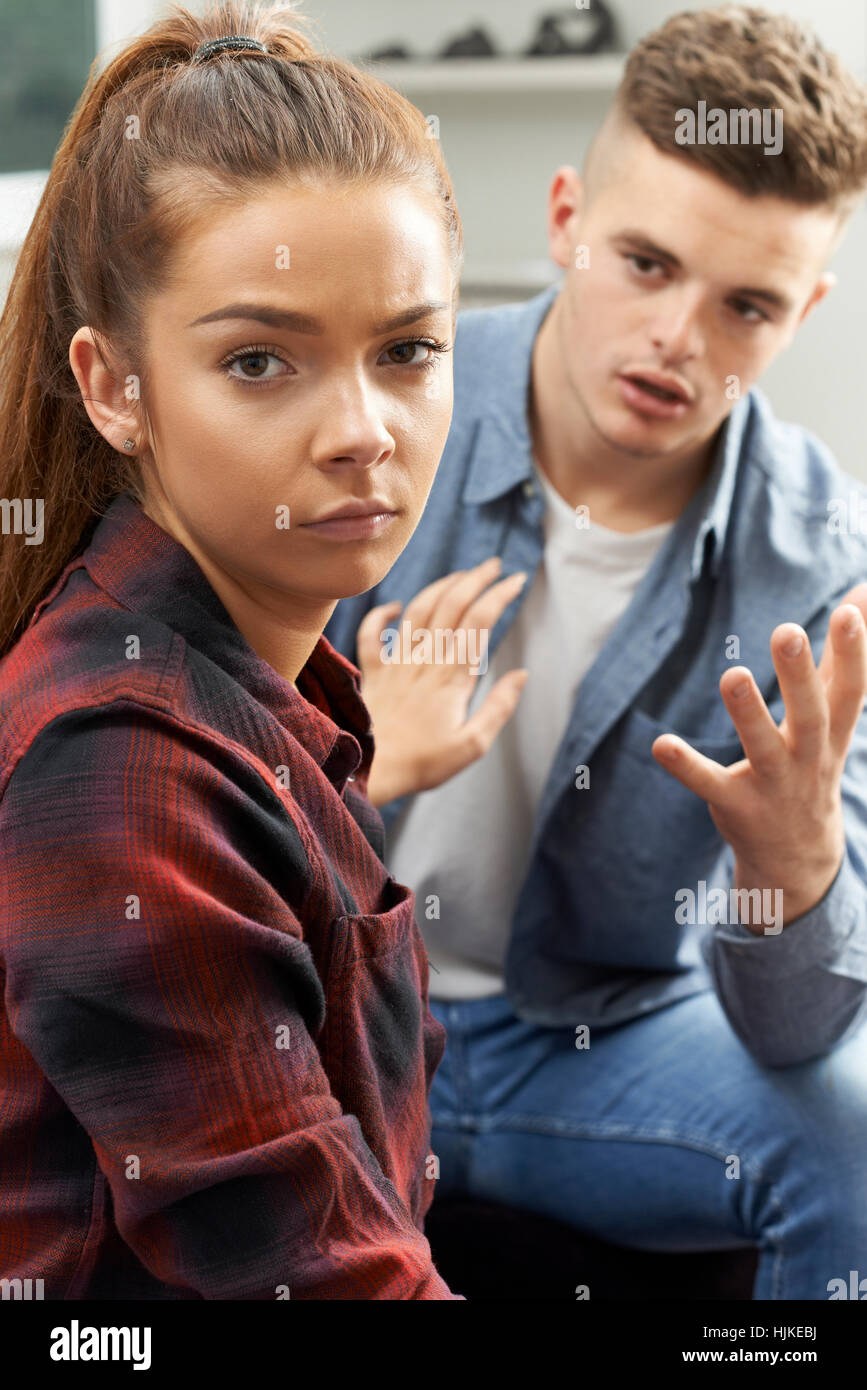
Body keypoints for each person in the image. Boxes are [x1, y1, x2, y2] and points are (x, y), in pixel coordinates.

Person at [325, 5, 867, 1300]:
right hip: (338, 1021)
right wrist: (357, 770)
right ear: (567, 218)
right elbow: (191, 844)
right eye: (646, 263)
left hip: (595, 1038)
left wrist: (798, 873)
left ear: (808, 310)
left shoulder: (822, 564)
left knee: (852, 1143)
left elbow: (797, 1030)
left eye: (747, 304)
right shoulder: (380, 416)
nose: (681, 337)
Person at [0, 0, 519, 1300]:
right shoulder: (117, 764)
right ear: (115, 385)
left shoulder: (274, 678)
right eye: (259, 361)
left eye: (407, 350)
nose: (363, 430)